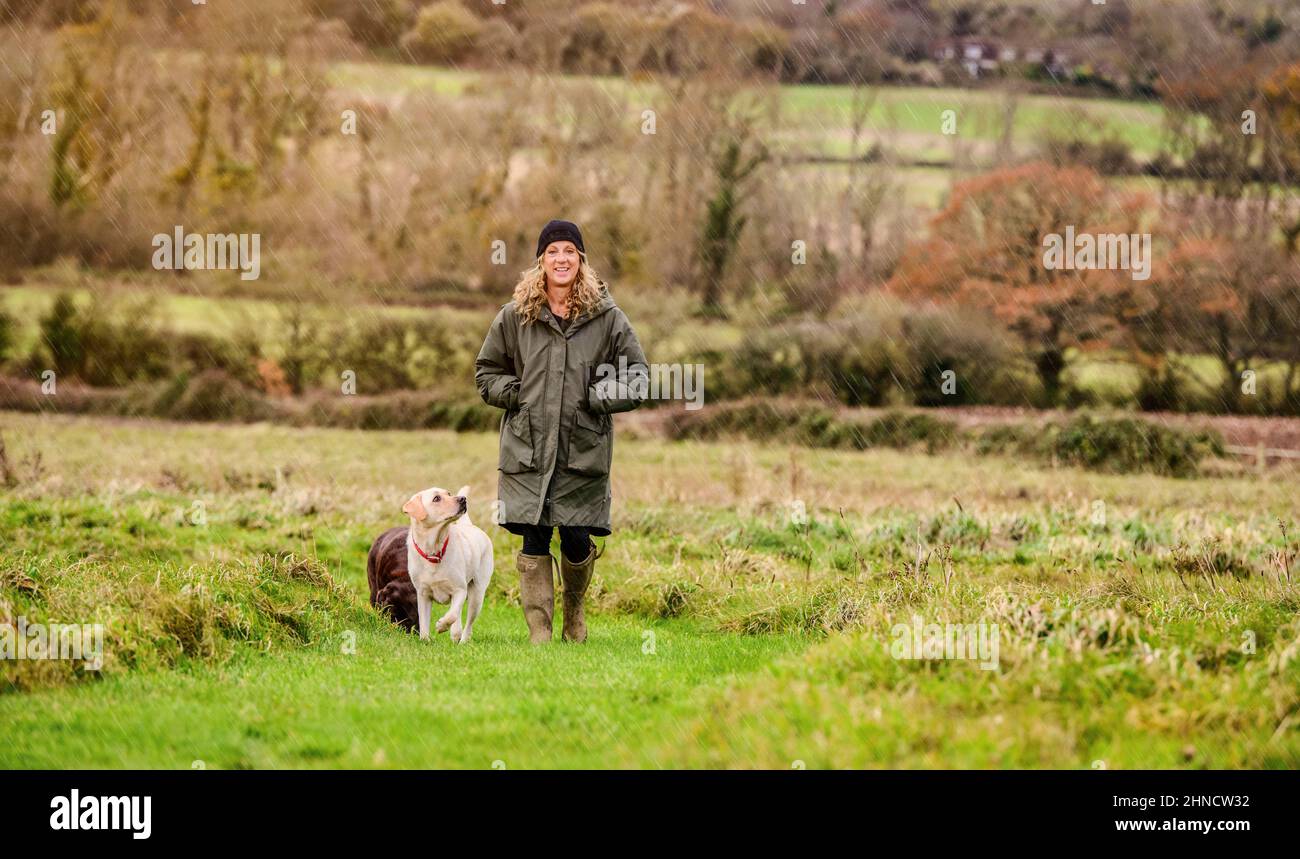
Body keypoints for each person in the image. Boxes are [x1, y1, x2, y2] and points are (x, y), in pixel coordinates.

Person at [475, 219, 648, 643]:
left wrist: (596, 397)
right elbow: (487, 371)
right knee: (533, 536)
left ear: (582, 260)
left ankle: (574, 612)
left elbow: (638, 376)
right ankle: (540, 634)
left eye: (570, 251)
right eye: (553, 251)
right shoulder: (516, 316)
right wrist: (518, 395)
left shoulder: (606, 317)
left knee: (574, 536)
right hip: (528, 447)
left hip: (581, 449)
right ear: (541, 261)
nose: (561, 259)